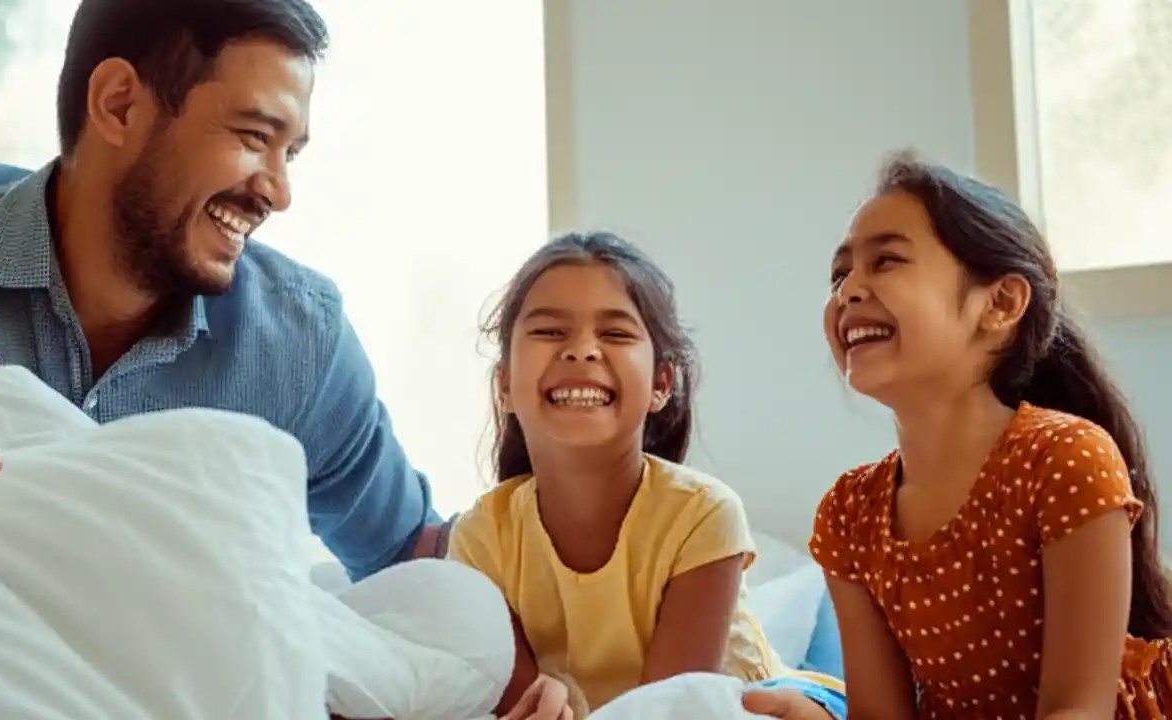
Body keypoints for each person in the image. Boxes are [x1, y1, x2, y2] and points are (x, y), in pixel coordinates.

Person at [0, 0, 442, 580]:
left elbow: (416, 562)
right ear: (119, 105)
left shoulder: (299, 346)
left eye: (290, 153)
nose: (279, 193)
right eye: (255, 135)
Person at [809, 153, 1172, 718]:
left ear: (1000, 303)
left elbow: (1078, 712)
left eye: (887, 261)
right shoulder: (848, 515)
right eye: (839, 274)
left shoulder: (1066, 459)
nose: (849, 290)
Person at [447, 232, 846, 719]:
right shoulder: (481, 537)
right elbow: (526, 707)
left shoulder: (703, 514)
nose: (582, 350)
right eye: (549, 331)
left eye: (615, 334)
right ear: (505, 383)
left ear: (661, 383)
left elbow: (671, 710)